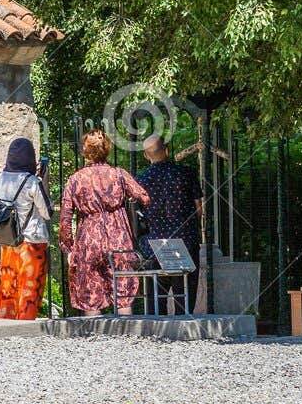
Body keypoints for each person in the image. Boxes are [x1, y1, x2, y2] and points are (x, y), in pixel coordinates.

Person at [60, 130, 150, 315]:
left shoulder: (75, 179)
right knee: (123, 290)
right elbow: (144, 197)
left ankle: (94, 338)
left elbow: (65, 217)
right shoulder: (119, 174)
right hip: (118, 235)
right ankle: (127, 336)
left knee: (91, 295)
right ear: (107, 149)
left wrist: (68, 247)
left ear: (85, 151)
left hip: (89, 238)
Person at [0, 137, 53, 321]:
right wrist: (44, 181)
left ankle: (7, 324)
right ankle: (26, 325)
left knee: (9, 286)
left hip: (9, 240)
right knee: (29, 289)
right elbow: (47, 212)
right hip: (32, 242)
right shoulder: (32, 181)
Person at [136, 134, 202, 313]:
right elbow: (198, 209)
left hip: (153, 245)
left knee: (155, 300)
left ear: (145, 155)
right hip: (184, 242)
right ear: (166, 150)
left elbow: (136, 214)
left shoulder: (140, 180)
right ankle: (183, 328)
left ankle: (156, 332)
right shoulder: (186, 173)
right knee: (185, 295)